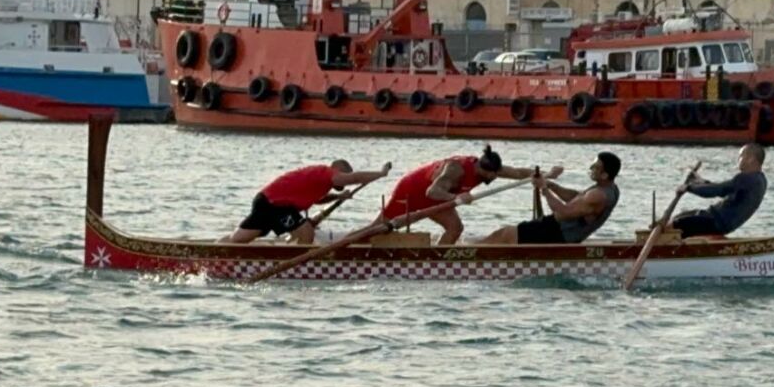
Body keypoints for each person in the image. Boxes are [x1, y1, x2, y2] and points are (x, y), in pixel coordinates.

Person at [377, 145, 561, 245]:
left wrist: (546, 174)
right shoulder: (456, 169)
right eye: (492, 175)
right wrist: (455, 199)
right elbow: (432, 191)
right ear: (482, 169)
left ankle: (438, 259)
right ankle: (354, 245)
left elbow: (518, 173)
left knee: (456, 227)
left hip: (436, 199)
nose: (494, 178)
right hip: (412, 190)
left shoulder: (489, 168)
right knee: (378, 226)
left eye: (497, 174)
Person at [223, 160, 392, 244]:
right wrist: (380, 173)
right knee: (306, 232)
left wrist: (339, 197)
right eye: (344, 176)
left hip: (266, 201)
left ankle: (216, 249)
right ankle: (296, 263)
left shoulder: (322, 183)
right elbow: (354, 178)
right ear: (338, 170)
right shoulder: (326, 173)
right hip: (276, 204)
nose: (343, 183)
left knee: (240, 238)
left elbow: (318, 200)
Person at [478, 152, 621, 245]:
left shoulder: (598, 195)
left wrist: (544, 189)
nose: (591, 167)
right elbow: (576, 198)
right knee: (505, 233)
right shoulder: (609, 188)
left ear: (604, 175)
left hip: (557, 233)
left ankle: (469, 254)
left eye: (596, 167)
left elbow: (563, 212)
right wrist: (551, 185)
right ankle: (474, 248)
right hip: (557, 230)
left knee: (506, 234)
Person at [670, 143, 768, 238]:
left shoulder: (747, 179)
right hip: (714, 218)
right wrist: (701, 181)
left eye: (740, 156)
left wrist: (688, 188)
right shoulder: (760, 179)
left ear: (751, 159)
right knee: (679, 217)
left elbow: (717, 190)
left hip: (716, 222)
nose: (738, 160)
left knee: (675, 224)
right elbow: (723, 188)